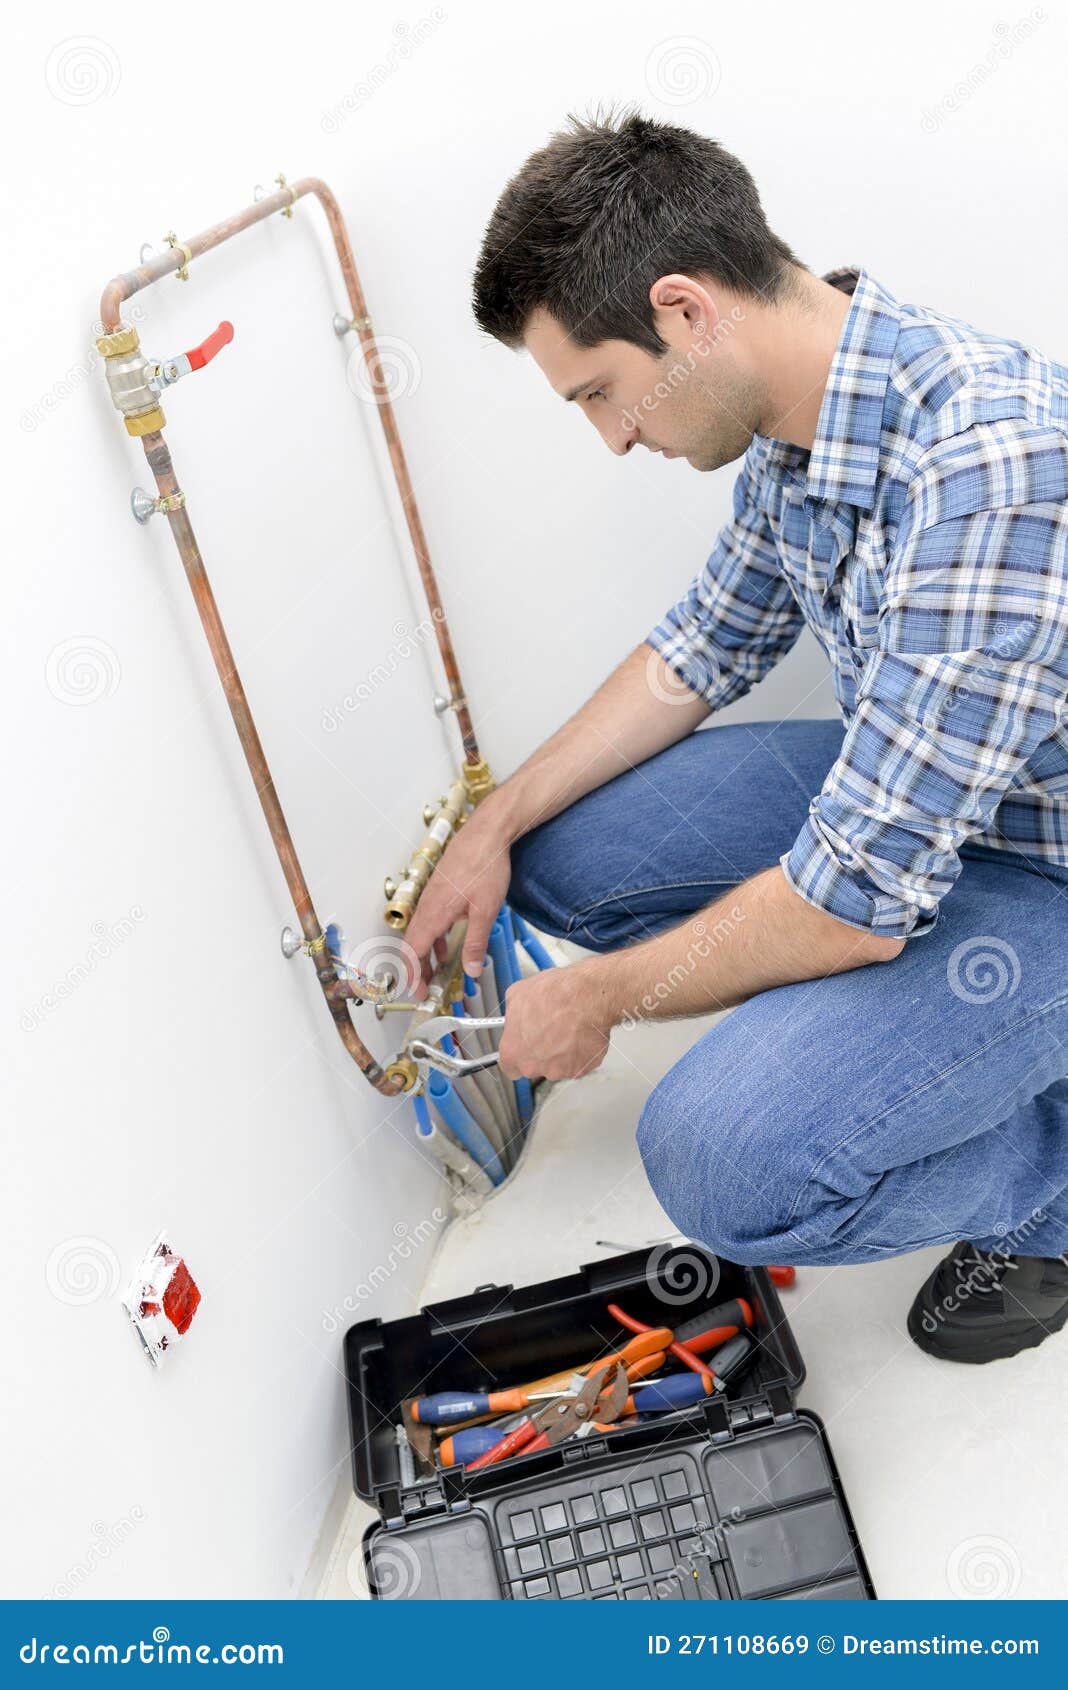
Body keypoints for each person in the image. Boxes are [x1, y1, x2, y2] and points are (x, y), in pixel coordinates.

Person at [405, 111, 1068, 1365]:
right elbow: (696, 651)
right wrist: (493, 821)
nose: (612, 436)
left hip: (1045, 865)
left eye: (599, 392)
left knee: (725, 1163)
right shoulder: (800, 420)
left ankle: (1056, 1186)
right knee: (560, 852)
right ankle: (912, 1041)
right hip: (933, 809)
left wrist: (599, 999)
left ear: (685, 310)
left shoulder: (993, 472)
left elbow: (851, 905)